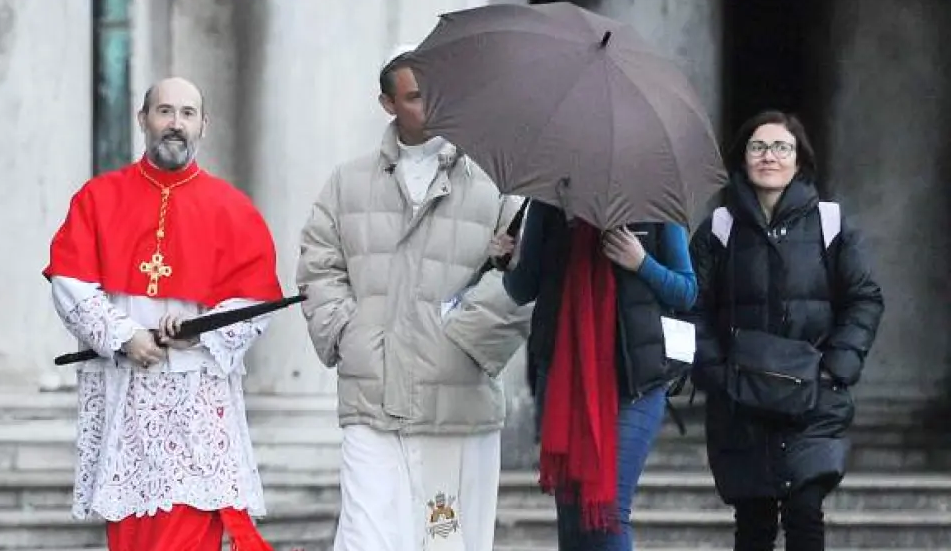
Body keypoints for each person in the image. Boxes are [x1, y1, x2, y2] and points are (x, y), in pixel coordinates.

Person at [295, 46, 531, 551]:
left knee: (448, 541)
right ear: (388, 104)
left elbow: (527, 278)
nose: (435, 104)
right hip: (372, 395)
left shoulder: (498, 182)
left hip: (458, 400)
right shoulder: (348, 181)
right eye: (418, 96)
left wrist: (469, 339)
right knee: (366, 539)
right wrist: (346, 333)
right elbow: (319, 265)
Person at [44, 77, 282, 551]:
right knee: (132, 535)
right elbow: (69, 283)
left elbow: (256, 301)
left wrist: (200, 336)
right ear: (143, 120)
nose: (176, 124)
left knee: (190, 528)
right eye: (165, 111)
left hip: (195, 402)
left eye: (188, 113)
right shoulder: (98, 198)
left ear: (203, 126)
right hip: (124, 398)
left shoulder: (232, 208)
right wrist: (123, 335)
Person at [688, 110, 884, 551]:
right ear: (742, 158)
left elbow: (864, 299)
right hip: (742, 400)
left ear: (800, 160)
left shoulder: (831, 225)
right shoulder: (718, 230)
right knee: (754, 522)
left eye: (782, 147)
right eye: (758, 147)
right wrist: (718, 374)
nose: (769, 157)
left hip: (813, 397)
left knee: (805, 512)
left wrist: (837, 368)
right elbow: (691, 306)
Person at [494, 199, 698, 551]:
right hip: (563, 378)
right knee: (572, 517)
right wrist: (507, 261)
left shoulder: (656, 199)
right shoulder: (551, 203)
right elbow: (523, 288)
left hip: (635, 381)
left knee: (606, 513)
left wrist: (642, 263)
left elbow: (687, 290)